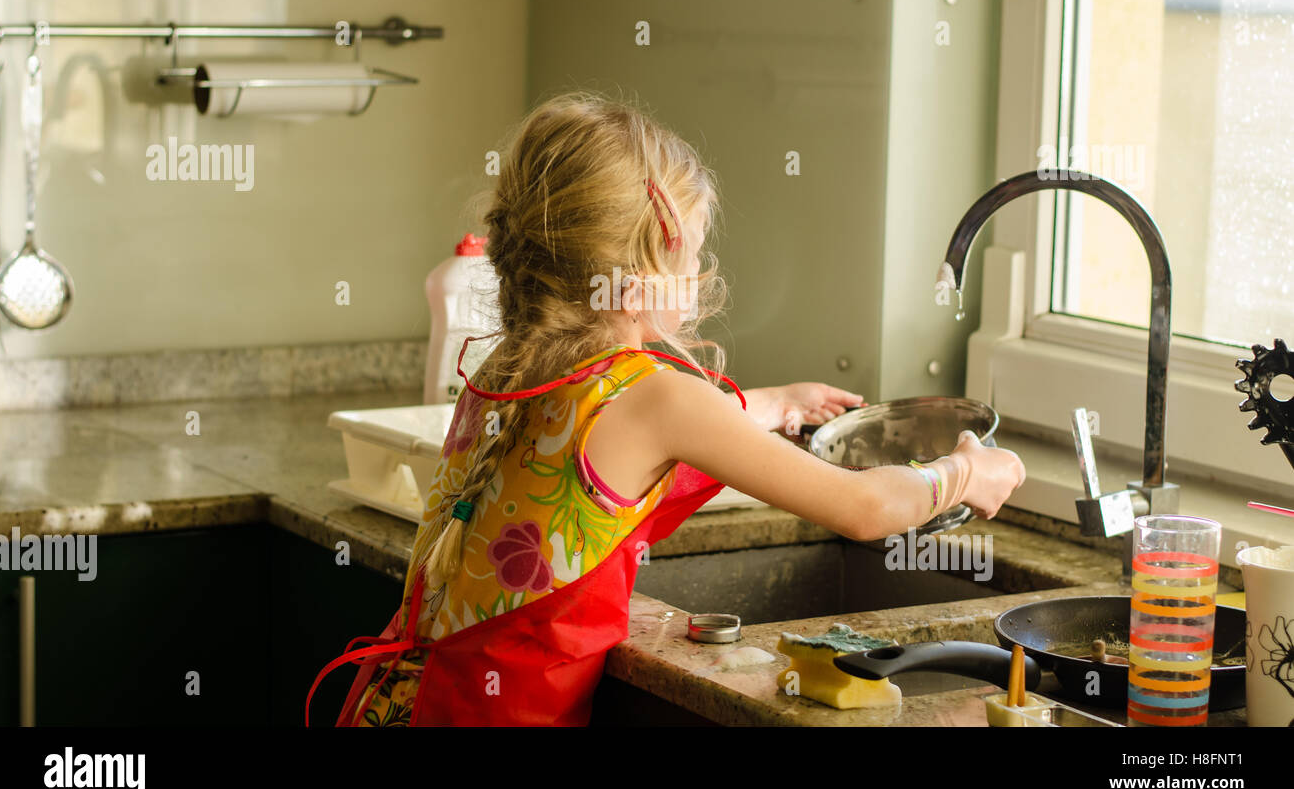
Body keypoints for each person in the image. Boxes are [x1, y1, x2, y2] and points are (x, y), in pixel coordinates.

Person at [307, 90, 1026, 727]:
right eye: (693, 255)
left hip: (397, 704)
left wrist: (776, 405)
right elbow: (863, 507)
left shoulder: (513, 364)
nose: (701, 271)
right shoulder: (654, 395)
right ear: (637, 277)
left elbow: (621, 454)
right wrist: (961, 472)